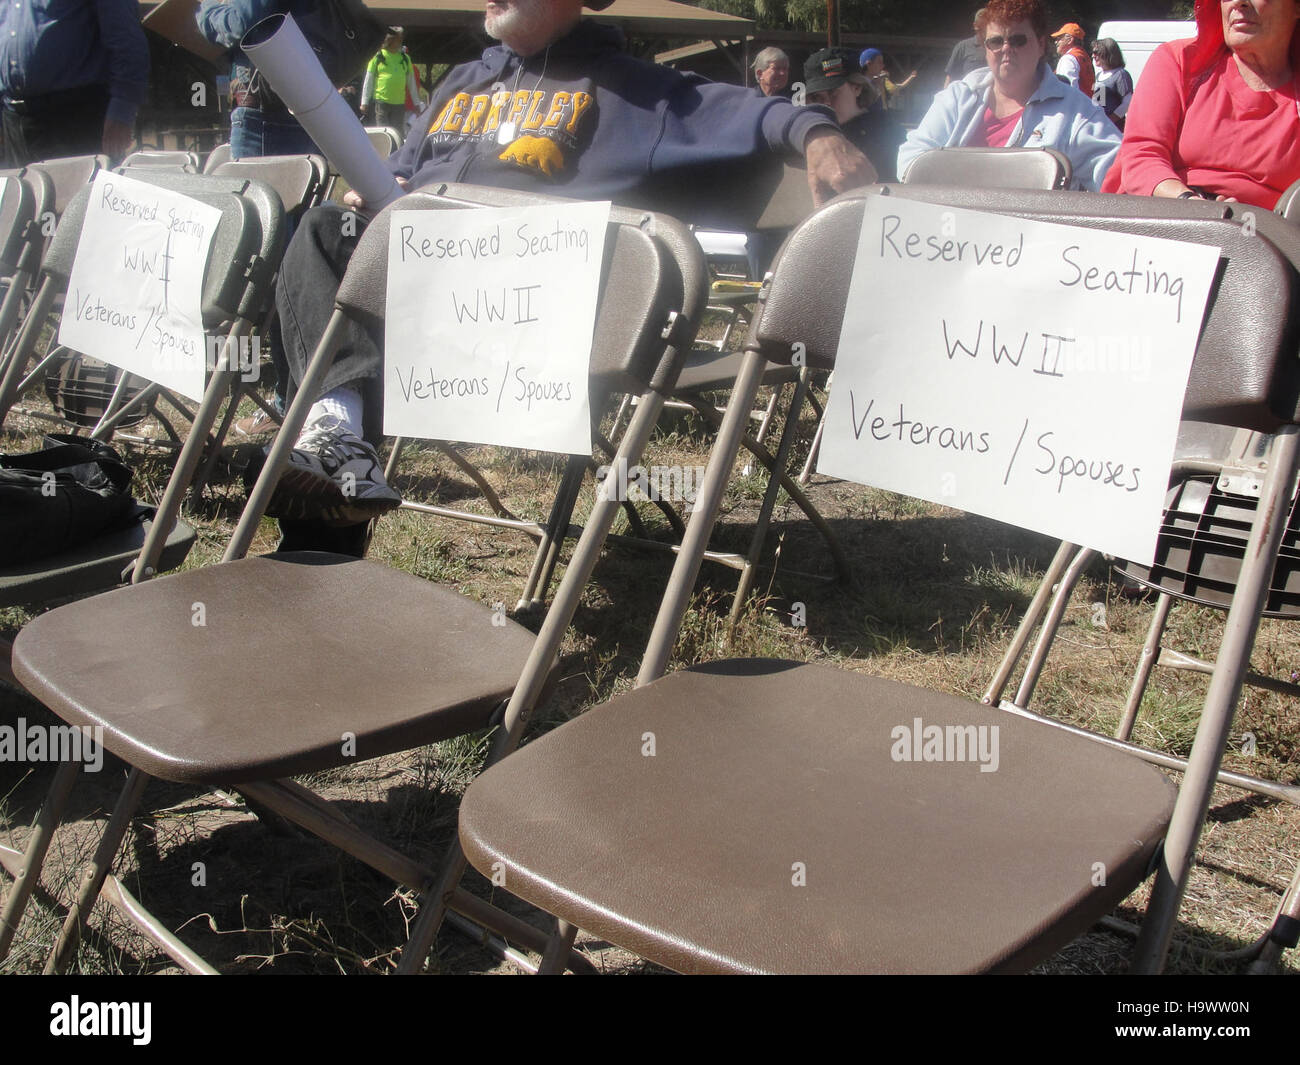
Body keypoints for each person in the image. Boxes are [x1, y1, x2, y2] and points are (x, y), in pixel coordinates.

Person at [265, 0, 874, 554]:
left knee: (342, 297)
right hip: (422, 295)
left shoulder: (638, 93)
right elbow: (398, 170)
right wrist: (379, 192)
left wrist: (818, 135)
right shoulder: (463, 81)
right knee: (324, 230)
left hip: (527, 317)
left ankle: (328, 481)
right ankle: (336, 452)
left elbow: (755, 113)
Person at [897, 0, 1119, 192]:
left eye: (1017, 40)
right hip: (951, 233)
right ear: (985, 49)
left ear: (1041, 45)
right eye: (995, 41)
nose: (1006, 48)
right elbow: (910, 161)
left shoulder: (1075, 111)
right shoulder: (957, 97)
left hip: (1034, 237)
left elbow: (1118, 174)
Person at [1102, 0, 1300, 209]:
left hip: (1267, 234)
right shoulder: (1180, 61)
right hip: (1163, 224)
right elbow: (1141, 156)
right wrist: (1196, 206)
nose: (1239, 3)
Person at [0, 0, 148, 165]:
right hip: (13, 119)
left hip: (74, 116)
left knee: (78, 190)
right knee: (21, 190)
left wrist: (122, 110)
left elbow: (126, 38)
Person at [197, 0, 321, 160]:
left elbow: (238, 22)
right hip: (305, 101)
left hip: (265, 113)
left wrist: (206, 10)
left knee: (251, 184)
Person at [806, 48, 904, 181]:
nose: (826, 103)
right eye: (817, 97)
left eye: (833, 93)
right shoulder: (812, 132)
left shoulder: (886, 129)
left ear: (857, 88)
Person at [360, 27, 422, 136]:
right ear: (390, 40)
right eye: (398, 39)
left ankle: (396, 153)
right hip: (381, 101)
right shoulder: (378, 57)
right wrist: (364, 102)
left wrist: (416, 103)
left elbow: (411, 83)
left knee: (398, 133)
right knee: (383, 132)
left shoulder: (405, 59)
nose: (400, 41)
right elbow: (368, 81)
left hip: (399, 103)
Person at [1090, 37, 1133, 129]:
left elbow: (1127, 103)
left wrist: (1110, 120)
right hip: (1100, 125)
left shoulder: (1121, 74)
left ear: (1108, 53)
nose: (1093, 56)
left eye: (1096, 52)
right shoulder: (1098, 75)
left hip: (1116, 127)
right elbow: (1098, 102)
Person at [945, 8, 989, 86]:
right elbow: (950, 77)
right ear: (976, 26)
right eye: (985, 25)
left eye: (990, 24)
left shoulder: (999, 47)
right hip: (968, 95)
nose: (988, 28)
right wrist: (945, 97)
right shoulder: (963, 47)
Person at [1051, 20, 1094, 97]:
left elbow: (1068, 90)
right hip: (1088, 105)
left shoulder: (1068, 59)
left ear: (1070, 40)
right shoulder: (1083, 56)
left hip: (1075, 107)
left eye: (1059, 38)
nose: (1056, 42)